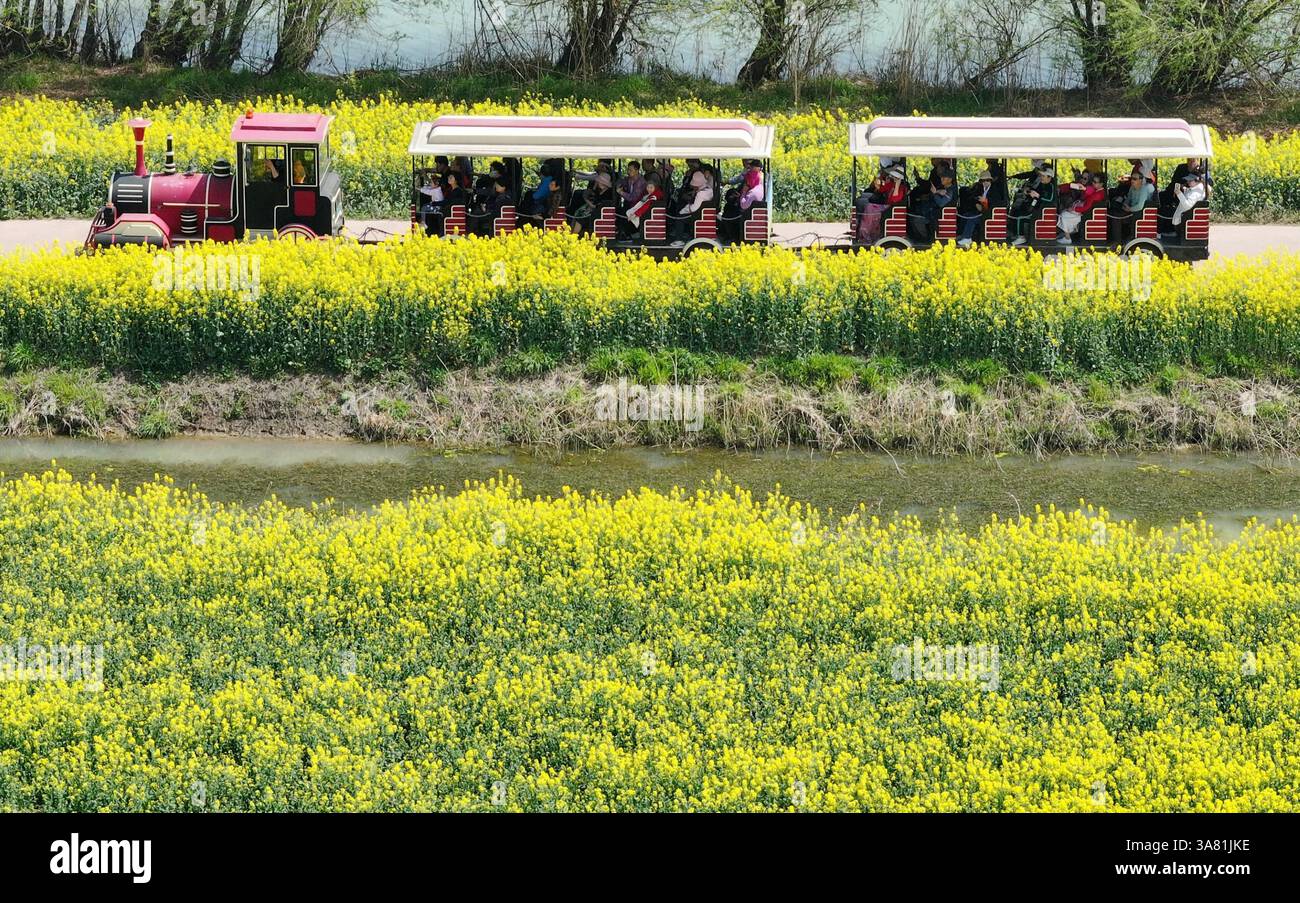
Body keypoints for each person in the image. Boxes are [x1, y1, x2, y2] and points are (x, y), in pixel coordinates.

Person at [856, 164, 907, 244]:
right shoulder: (891, 184)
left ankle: (867, 234)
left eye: (895, 177)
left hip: (890, 207)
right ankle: (861, 230)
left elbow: (894, 200)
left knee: (870, 207)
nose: (893, 177)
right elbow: (881, 190)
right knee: (864, 203)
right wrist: (882, 180)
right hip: (886, 205)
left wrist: (897, 186)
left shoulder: (902, 188)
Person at [957, 168, 1007, 247]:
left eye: (987, 180)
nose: (985, 182)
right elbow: (974, 197)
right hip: (980, 211)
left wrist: (986, 201)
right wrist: (977, 203)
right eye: (982, 181)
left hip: (989, 214)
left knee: (972, 218)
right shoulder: (980, 188)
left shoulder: (995, 190)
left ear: (990, 180)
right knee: (966, 215)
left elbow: (996, 202)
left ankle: (967, 238)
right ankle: (963, 234)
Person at [1056, 171, 1107, 244]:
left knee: (1064, 215)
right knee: (1064, 211)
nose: (1093, 183)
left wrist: (1074, 209)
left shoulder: (1098, 194)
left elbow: (1086, 207)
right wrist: (1084, 189)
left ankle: (1067, 238)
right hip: (1084, 211)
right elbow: (1090, 190)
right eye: (1093, 181)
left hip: (1085, 214)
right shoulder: (1097, 191)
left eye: (1095, 182)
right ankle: (1067, 232)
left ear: (1101, 184)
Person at [1011, 166, 1056, 245]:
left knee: (1020, 217)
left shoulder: (1051, 187)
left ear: (1049, 178)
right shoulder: (1041, 184)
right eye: (1041, 175)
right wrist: (1028, 192)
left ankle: (1021, 237)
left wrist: (1038, 196)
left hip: (1041, 211)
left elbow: (1050, 199)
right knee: (1017, 211)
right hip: (1035, 208)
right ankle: (1018, 234)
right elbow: (1034, 191)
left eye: (1043, 176)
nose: (1041, 177)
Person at [668, 168, 714, 245]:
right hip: (702, 212)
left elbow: (693, 208)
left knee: (680, 217)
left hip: (698, 215)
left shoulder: (701, 194)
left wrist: (683, 210)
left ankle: (679, 239)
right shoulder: (708, 189)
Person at [917, 167, 957, 242]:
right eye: (941, 177)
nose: (941, 179)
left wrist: (935, 193)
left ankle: (928, 238)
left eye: (944, 177)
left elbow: (941, 203)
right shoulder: (942, 187)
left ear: (950, 179)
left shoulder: (950, 190)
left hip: (940, 215)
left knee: (918, 219)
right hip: (932, 211)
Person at [1112, 170, 1154, 241]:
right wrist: (1124, 205)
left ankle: (1121, 240)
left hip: (1140, 213)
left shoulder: (1144, 189)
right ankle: (1117, 239)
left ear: (1141, 180)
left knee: (1117, 218)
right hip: (1131, 210)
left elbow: (1140, 206)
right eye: (1131, 178)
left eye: (1135, 179)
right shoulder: (1132, 188)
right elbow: (1128, 198)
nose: (1132, 180)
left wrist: (1129, 209)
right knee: (1115, 213)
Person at [625, 172, 663, 236]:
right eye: (648, 186)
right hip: (644, 211)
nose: (649, 189)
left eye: (651, 187)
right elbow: (640, 200)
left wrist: (635, 214)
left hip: (648, 213)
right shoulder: (648, 192)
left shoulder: (656, 194)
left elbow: (646, 205)